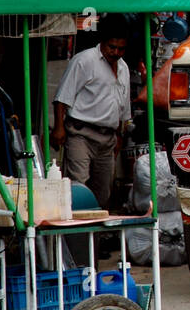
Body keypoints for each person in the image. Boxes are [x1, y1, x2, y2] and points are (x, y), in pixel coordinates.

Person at [51, 15, 131, 211]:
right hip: (81, 134)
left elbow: (123, 108)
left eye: (121, 48)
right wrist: (59, 128)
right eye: (112, 47)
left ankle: (93, 239)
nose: (116, 52)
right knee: (78, 187)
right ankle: (75, 237)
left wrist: (119, 135)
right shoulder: (84, 60)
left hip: (108, 139)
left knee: (103, 192)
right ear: (102, 42)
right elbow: (62, 98)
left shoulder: (124, 68)